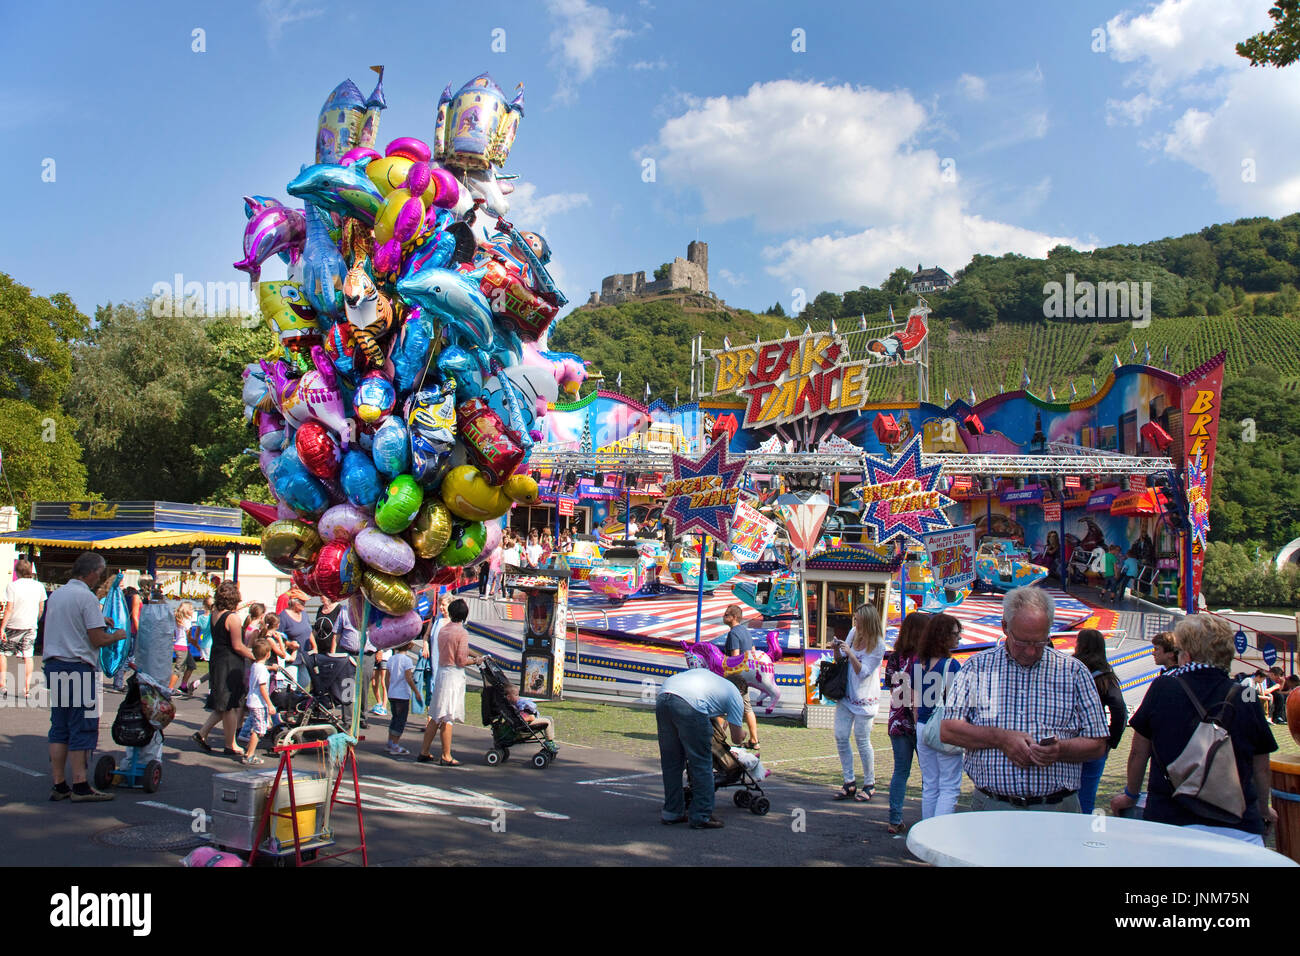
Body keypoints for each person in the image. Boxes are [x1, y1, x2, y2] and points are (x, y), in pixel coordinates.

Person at [1110, 615, 1278, 844]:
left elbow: (1139, 752)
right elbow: (1261, 766)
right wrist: (1264, 810)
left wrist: (1130, 795)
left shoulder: (1163, 687)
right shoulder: (1245, 695)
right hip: (1239, 826)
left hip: (1171, 822)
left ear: (1186, 655)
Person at [941, 587, 1109, 813]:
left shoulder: (1073, 672)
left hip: (1057, 808)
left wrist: (1060, 750)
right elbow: (949, 730)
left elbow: (1098, 743)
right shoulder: (977, 667)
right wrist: (1000, 738)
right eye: (1022, 642)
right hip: (993, 807)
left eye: (1039, 643)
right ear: (1005, 628)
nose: (1031, 652)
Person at [42, 552, 129, 802]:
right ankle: (81, 785)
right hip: (78, 668)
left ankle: (59, 784)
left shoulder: (57, 594)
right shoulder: (87, 597)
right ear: (91, 573)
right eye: (99, 574)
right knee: (83, 725)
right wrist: (119, 635)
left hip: (55, 665)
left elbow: (70, 622)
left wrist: (99, 619)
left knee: (59, 726)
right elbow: (98, 639)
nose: (99, 579)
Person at [655, 664, 747, 829]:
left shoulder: (715, 682)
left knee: (672, 762)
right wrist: (744, 736)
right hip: (691, 703)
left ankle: (672, 813)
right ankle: (701, 815)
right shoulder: (736, 696)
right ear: (742, 691)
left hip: (665, 694)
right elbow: (736, 738)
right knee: (702, 762)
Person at [831, 604, 888, 803]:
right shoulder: (853, 632)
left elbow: (863, 673)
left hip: (865, 698)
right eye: (855, 620)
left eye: (858, 620)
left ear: (868, 622)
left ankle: (870, 783)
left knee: (862, 741)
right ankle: (849, 781)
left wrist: (852, 653)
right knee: (840, 736)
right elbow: (841, 661)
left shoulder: (879, 644)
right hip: (847, 695)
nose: (855, 624)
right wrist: (837, 650)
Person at [912, 613, 965, 818]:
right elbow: (957, 702)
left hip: (923, 726)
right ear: (943, 636)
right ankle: (939, 834)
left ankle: (927, 830)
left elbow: (914, 703)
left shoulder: (919, 663)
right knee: (949, 786)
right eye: (955, 633)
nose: (958, 637)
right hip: (944, 727)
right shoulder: (951, 666)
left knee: (930, 784)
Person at [193, 581, 254, 757]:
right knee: (230, 705)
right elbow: (238, 646)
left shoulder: (215, 613)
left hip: (218, 658)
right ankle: (231, 744)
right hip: (230, 662)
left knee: (222, 704)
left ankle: (201, 733)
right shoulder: (233, 618)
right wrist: (255, 655)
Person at [418, 599, 482, 765]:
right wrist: (476, 661)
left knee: (435, 714)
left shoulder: (443, 629)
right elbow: (461, 659)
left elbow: (457, 650)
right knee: (447, 716)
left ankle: (424, 750)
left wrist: (474, 654)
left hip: (441, 671)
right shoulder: (462, 633)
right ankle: (446, 755)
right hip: (453, 675)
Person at [1071, 628, 1128, 813]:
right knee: (1086, 798)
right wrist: (1111, 740)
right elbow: (1119, 708)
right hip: (1094, 742)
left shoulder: (1070, 669)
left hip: (1068, 741)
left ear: (1081, 645)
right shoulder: (1105, 677)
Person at [884, 610, 930, 835]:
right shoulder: (926, 659)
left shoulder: (894, 657)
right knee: (928, 773)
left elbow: (892, 687)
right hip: (921, 720)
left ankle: (895, 819)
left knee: (900, 771)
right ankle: (928, 818)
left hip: (897, 720)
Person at [1, 558, 46, 699]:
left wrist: (2, 627)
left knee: (2, 652)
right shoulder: (39, 586)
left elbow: (9, 608)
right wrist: (36, 620)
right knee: (28, 655)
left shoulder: (12, 586)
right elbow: (41, 608)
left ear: (17, 571)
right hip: (30, 625)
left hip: (13, 624)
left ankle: (2, 684)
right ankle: (26, 689)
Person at [718, 605, 759, 748]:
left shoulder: (734, 634)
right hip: (745, 674)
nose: (724, 616)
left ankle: (721, 736)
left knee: (723, 706)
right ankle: (754, 740)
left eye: (726, 614)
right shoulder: (745, 631)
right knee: (746, 707)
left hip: (735, 675)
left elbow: (735, 656)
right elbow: (753, 651)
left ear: (734, 617)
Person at [241, 638, 276, 766]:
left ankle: (248, 751)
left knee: (256, 726)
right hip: (259, 703)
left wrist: (271, 668)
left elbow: (261, 666)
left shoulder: (255, 665)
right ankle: (249, 755)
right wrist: (270, 704)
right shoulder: (262, 670)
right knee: (259, 730)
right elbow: (262, 688)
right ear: (268, 654)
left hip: (252, 701)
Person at [384, 641, 422, 756]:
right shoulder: (407, 660)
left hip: (392, 693)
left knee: (395, 718)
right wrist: (416, 692)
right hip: (402, 694)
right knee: (400, 720)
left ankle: (390, 741)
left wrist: (388, 689)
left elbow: (387, 677)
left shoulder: (391, 659)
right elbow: (408, 678)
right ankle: (395, 744)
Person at [505, 682, 558, 751]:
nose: (518, 697)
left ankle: (551, 740)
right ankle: (548, 742)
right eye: (516, 695)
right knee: (547, 721)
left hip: (529, 720)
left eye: (518, 695)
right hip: (526, 723)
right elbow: (522, 718)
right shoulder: (513, 707)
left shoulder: (515, 705)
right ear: (509, 697)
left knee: (550, 718)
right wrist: (530, 717)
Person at [169, 601, 197, 694]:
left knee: (191, 665)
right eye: (191, 609)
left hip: (180, 646)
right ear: (187, 610)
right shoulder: (187, 621)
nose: (193, 611)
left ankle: (183, 686)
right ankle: (170, 689)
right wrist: (197, 646)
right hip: (182, 647)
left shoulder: (178, 619)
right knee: (178, 669)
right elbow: (189, 638)